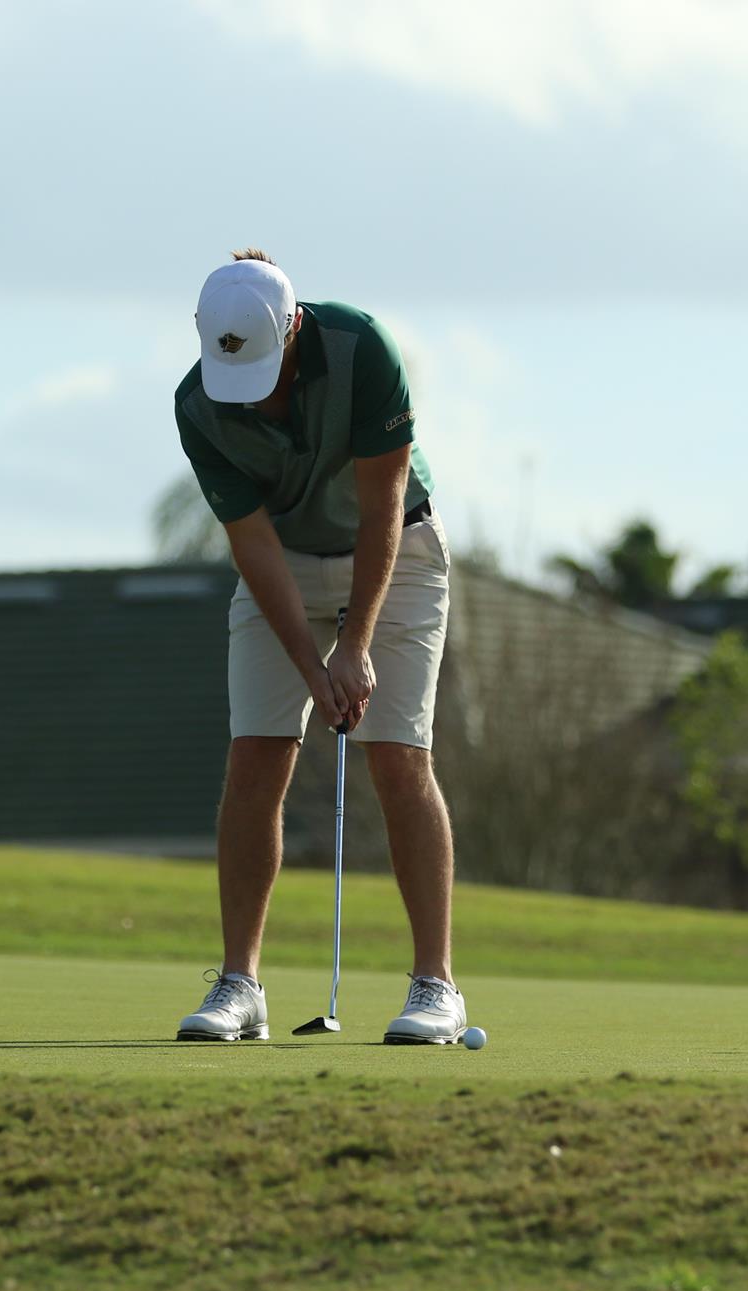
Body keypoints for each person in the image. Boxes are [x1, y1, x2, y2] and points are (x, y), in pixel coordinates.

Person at [171, 249, 466, 1045]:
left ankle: (436, 984)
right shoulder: (199, 403)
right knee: (256, 755)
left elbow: (383, 507)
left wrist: (356, 646)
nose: (255, 397)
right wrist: (312, 662)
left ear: (293, 327)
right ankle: (241, 984)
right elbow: (255, 548)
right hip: (287, 563)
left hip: (397, 548)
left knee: (398, 752)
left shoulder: (363, 349)